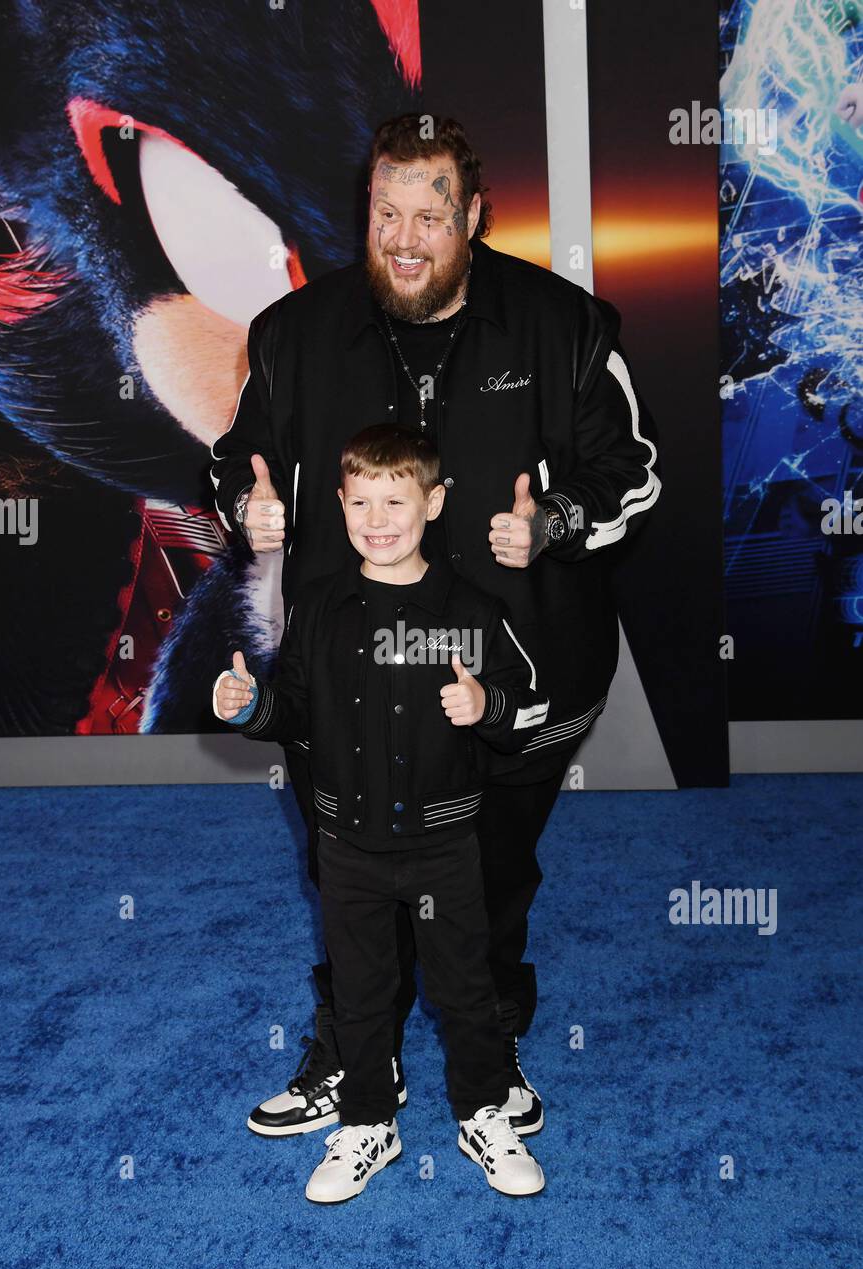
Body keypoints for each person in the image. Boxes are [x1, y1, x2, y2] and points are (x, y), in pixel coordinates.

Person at [209, 113, 661, 1138]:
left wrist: (553, 520)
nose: (404, 239)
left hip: (516, 670)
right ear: (363, 211)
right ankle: (353, 1044)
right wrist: (250, 506)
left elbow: (634, 472)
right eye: (385, 214)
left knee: (490, 878)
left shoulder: (568, 324)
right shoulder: (291, 334)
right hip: (350, 683)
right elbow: (233, 461)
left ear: (476, 216)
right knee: (344, 876)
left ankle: (486, 1043)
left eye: (429, 215)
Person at [213, 423, 549, 1201]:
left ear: (433, 502)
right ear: (338, 503)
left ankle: (486, 1111)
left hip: (445, 848)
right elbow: (294, 711)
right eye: (360, 500)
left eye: (395, 499)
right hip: (349, 848)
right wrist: (252, 704)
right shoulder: (322, 606)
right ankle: (367, 1123)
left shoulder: (472, 608)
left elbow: (529, 709)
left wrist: (485, 704)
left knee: (465, 988)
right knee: (360, 993)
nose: (377, 517)